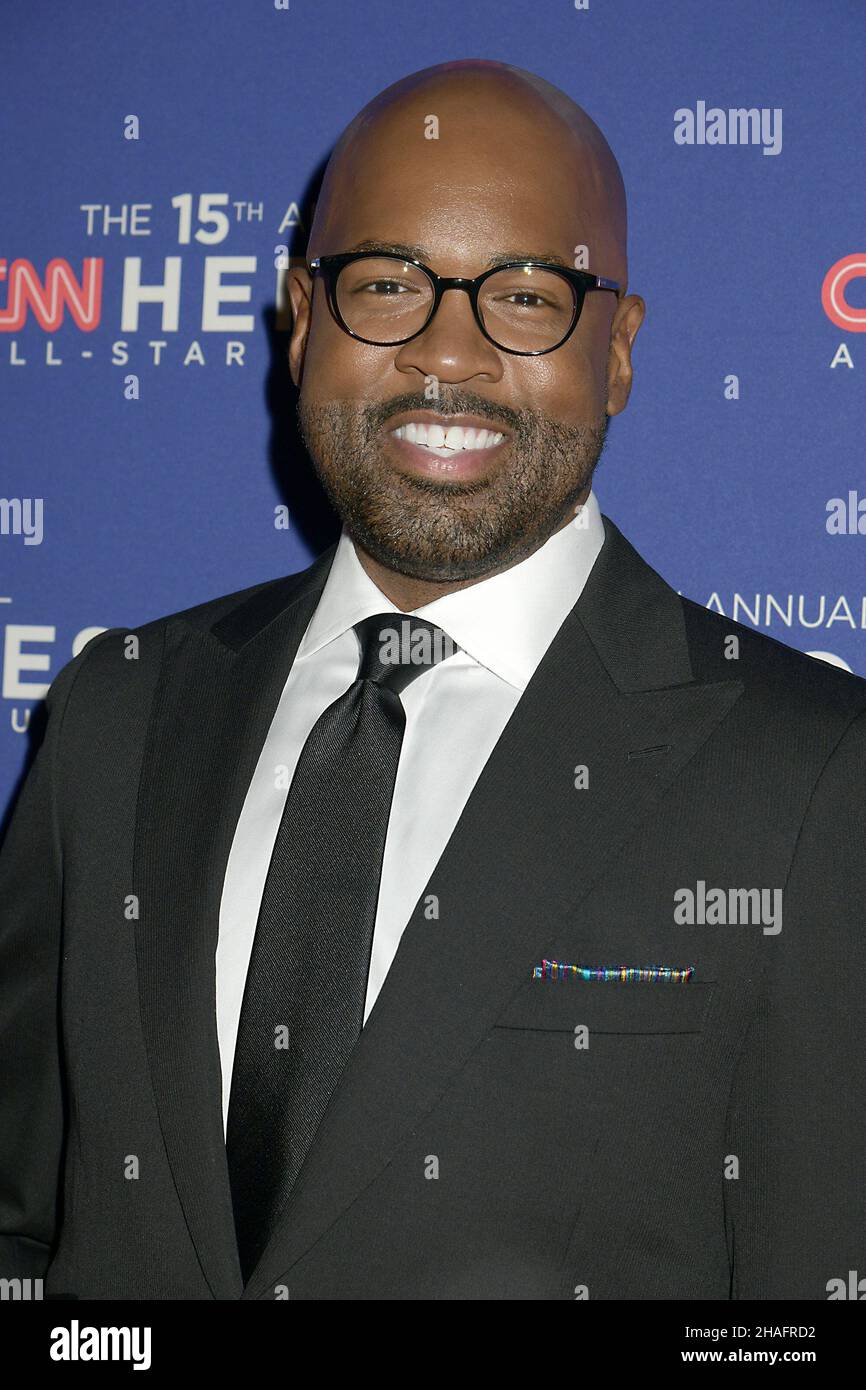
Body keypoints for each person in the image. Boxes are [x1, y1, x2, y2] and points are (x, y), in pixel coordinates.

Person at [1, 59, 864, 1302]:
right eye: (387, 285)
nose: (444, 356)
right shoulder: (119, 712)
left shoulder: (814, 775)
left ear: (615, 353)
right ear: (303, 320)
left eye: (523, 294)